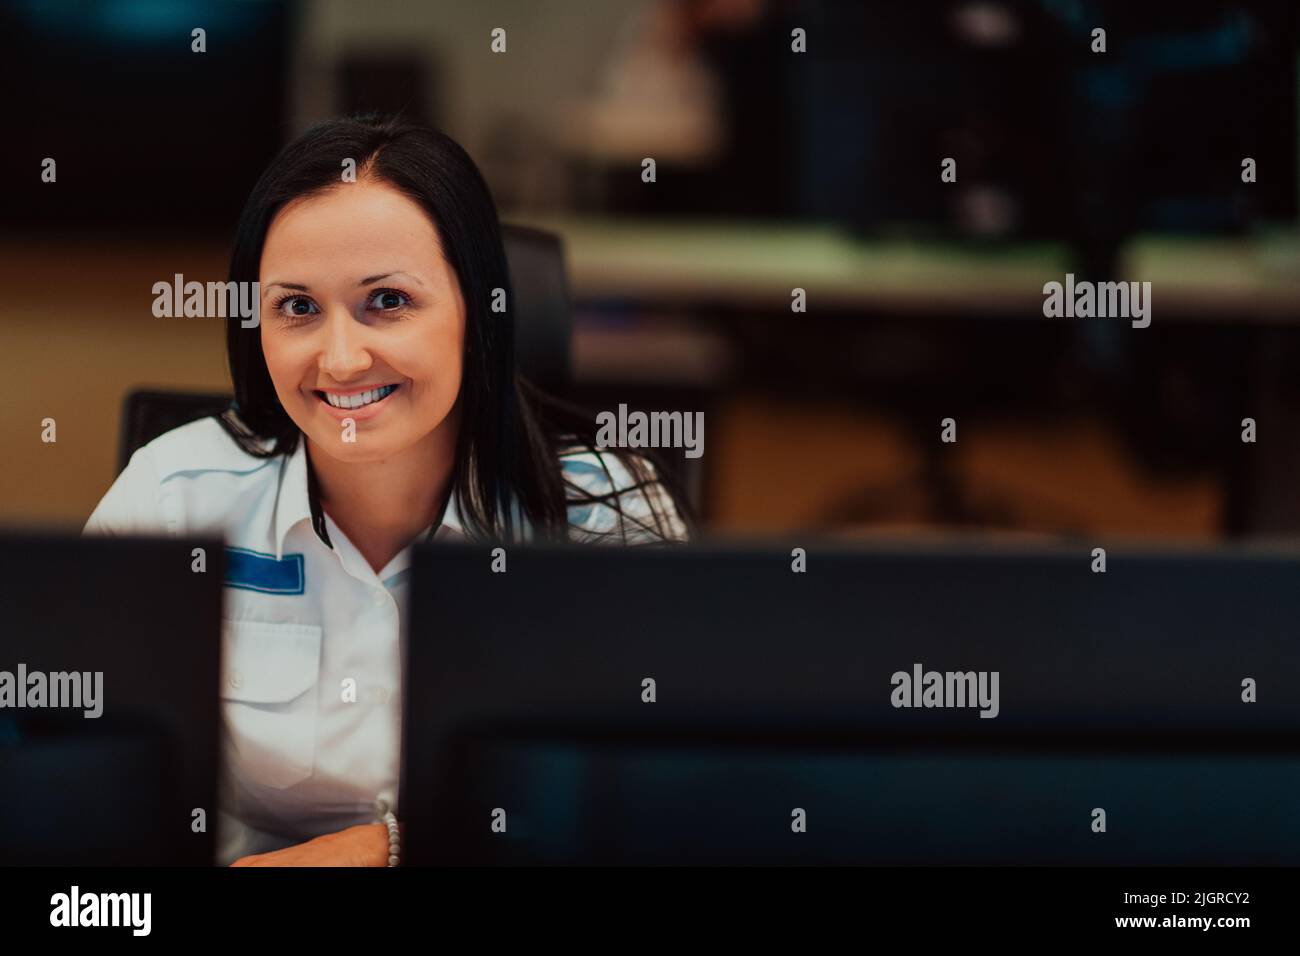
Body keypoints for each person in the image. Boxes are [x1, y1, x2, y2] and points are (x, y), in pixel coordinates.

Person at [84, 115, 692, 866]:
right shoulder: (172, 499)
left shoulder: (607, 513)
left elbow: (665, 803)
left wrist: (387, 849)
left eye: (388, 302)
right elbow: (72, 779)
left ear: (479, 312)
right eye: (298, 307)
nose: (340, 359)